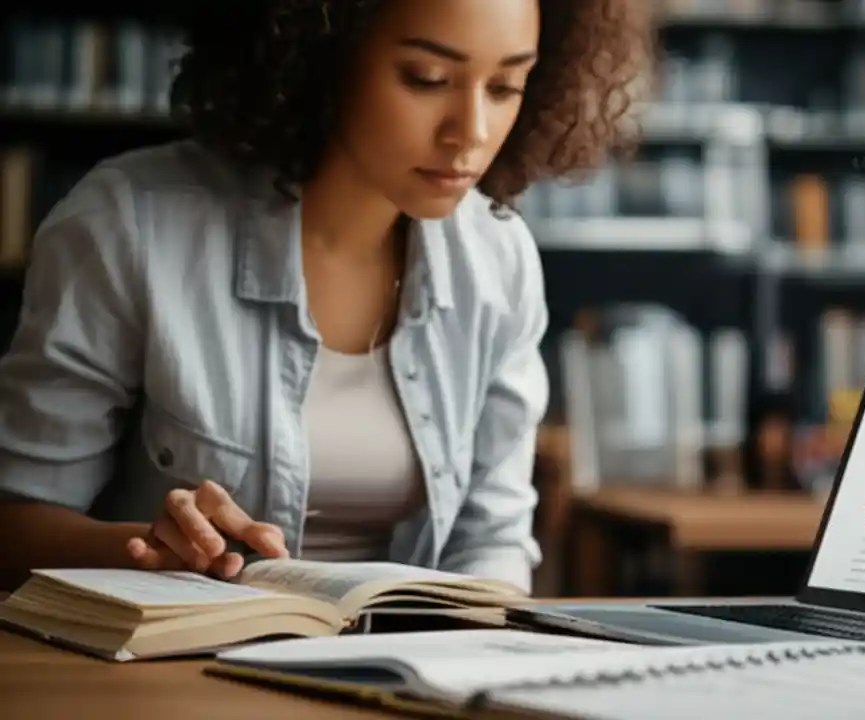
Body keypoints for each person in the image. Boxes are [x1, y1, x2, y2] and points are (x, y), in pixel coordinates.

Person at [0, 0, 650, 593]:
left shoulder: (498, 260)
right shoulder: (126, 226)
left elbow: (493, 541)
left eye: (507, 85)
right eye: (426, 77)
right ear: (322, 53)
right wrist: (146, 553)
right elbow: (15, 524)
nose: (471, 131)